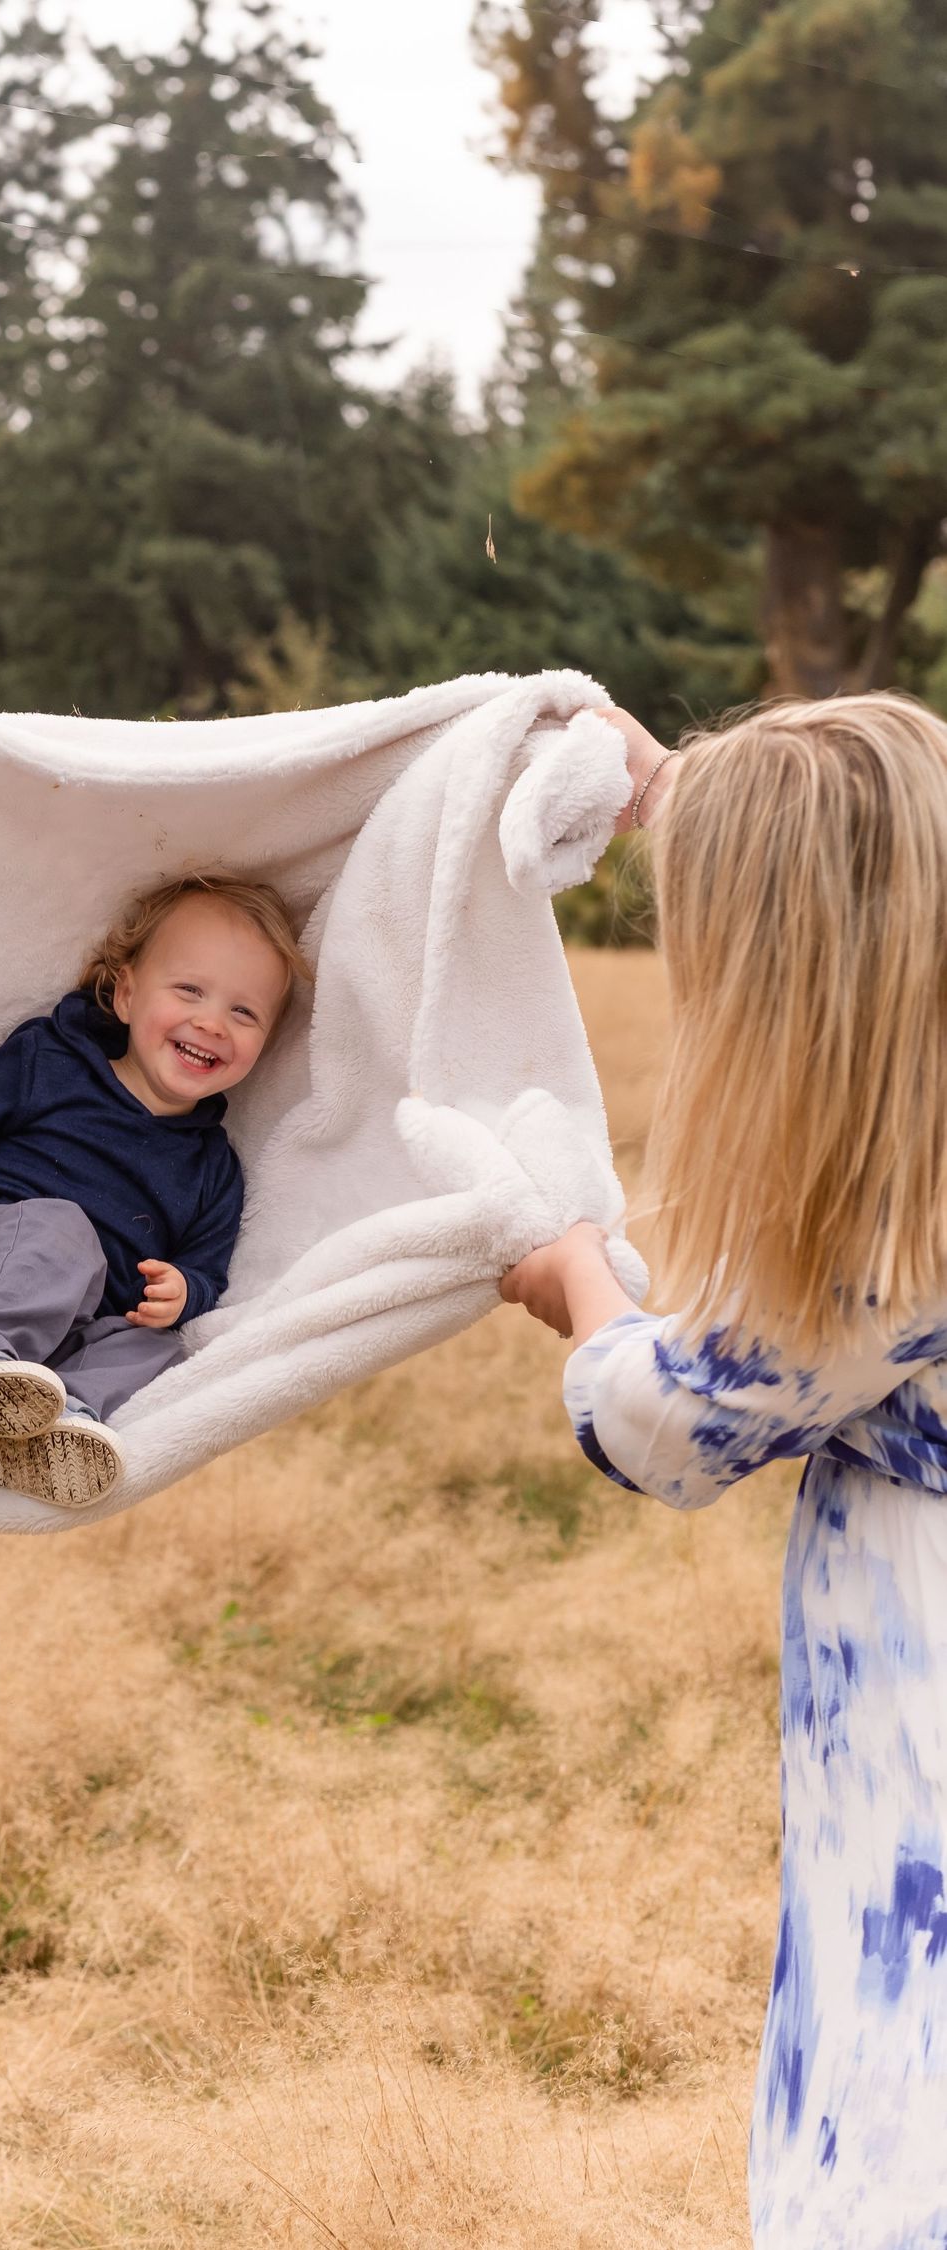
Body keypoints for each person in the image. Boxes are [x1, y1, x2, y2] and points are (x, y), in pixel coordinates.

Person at [500, 692, 947, 2249]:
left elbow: (669, 1419)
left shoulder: (900, 1238)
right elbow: (859, 846)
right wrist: (663, 787)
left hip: (925, 1722)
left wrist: (578, 1281)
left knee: (904, 2123)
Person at [0, 874, 310, 1508]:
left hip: (78, 1323)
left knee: (157, 1346)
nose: (212, 1023)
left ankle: (58, 1421)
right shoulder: (52, 1060)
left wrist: (182, 1292)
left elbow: (206, 1273)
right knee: (61, 1230)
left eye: (244, 1012)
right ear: (125, 994)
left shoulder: (214, 1169)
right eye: (189, 990)